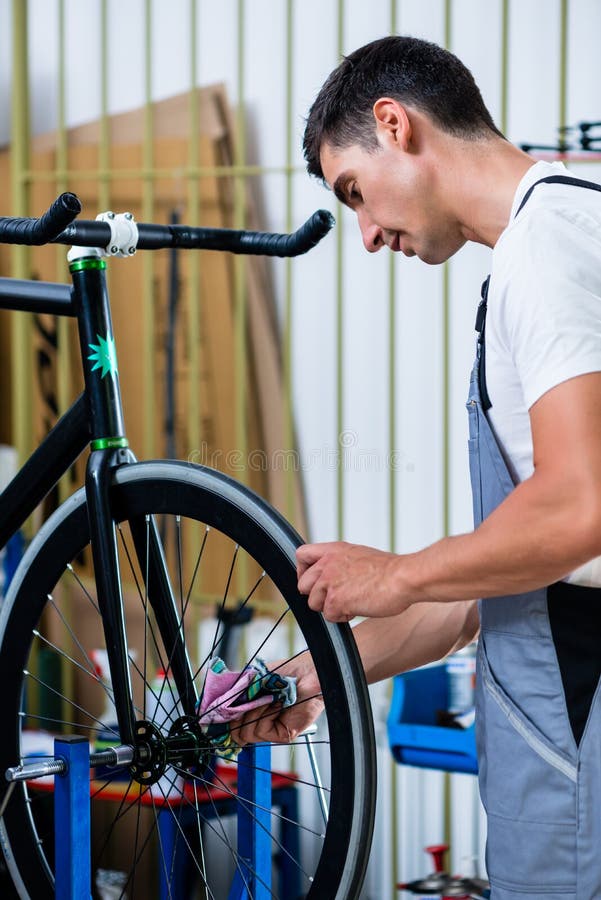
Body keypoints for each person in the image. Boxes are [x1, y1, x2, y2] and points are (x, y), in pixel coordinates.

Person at [238, 35, 601, 899]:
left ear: (394, 125)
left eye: (353, 192)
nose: (365, 235)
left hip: (576, 729)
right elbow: (498, 586)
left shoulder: (545, 249)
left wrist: (395, 573)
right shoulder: (560, 229)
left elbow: (577, 510)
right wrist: (310, 677)